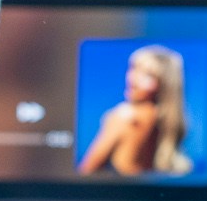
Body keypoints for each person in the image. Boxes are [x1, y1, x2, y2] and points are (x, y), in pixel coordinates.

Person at [79, 45, 192, 178]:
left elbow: (87, 170)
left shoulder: (126, 116)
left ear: (164, 84)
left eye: (148, 75)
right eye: (134, 68)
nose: (133, 79)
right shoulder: (164, 121)